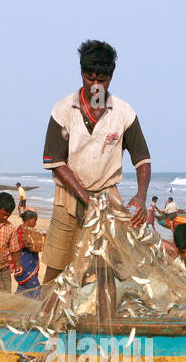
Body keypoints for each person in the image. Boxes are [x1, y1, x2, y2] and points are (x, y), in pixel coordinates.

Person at [40, 39, 151, 285]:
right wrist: (86, 198)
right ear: (81, 73)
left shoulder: (123, 112)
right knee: (57, 265)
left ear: (111, 77)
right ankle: (46, 315)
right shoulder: (63, 109)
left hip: (107, 198)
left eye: (102, 79)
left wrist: (141, 196)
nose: (96, 85)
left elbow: (142, 160)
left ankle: (96, 318)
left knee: (104, 269)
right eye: (91, 78)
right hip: (68, 198)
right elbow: (56, 162)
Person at [14, 209, 43, 297]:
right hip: (25, 261)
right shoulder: (22, 230)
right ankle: (37, 303)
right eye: (35, 221)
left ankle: (18, 302)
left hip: (31, 261)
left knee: (23, 287)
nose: (35, 223)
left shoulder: (29, 230)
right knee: (34, 286)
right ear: (30, 219)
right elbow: (18, 245)